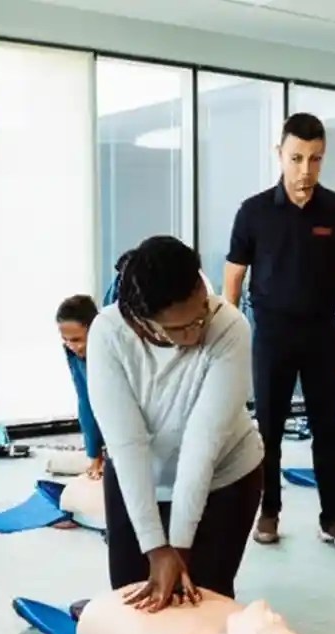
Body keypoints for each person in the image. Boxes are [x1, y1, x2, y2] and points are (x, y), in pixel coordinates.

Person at [87, 235, 264, 611]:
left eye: (201, 313)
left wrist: (180, 548)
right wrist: (156, 548)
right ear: (142, 322)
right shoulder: (108, 334)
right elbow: (127, 443)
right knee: (134, 598)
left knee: (201, 599)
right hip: (139, 475)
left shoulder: (228, 326)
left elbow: (203, 442)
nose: (197, 330)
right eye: (181, 328)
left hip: (225, 477)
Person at [223, 112, 335, 552]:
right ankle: (268, 511)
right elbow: (233, 278)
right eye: (297, 158)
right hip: (270, 333)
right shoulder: (253, 212)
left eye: (316, 159)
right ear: (280, 154)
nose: (306, 169)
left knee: (328, 429)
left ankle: (334, 517)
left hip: (322, 331)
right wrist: (228, 337)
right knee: (268, 430)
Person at [56, 294, 106, 478]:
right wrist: (94, 455)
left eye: (77, 339)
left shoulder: (110, 349)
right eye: (65, 339)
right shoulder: (72, 353)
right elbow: (85, 400)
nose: (72, 346)